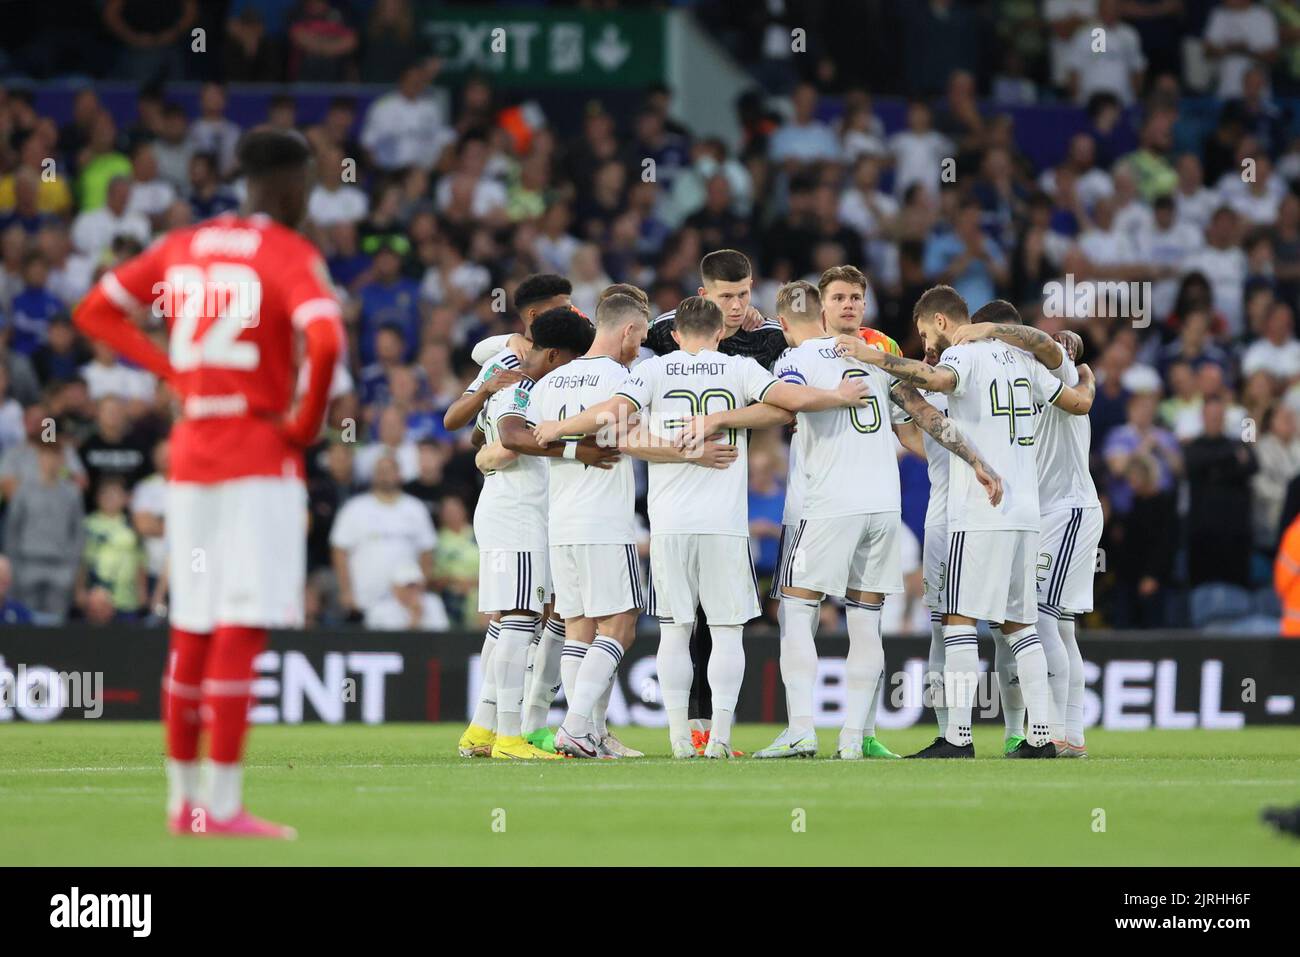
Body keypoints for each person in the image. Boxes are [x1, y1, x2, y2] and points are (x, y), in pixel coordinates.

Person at [73, 128, 344, 839]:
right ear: (287, 186)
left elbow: (95, 311)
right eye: (309, 185)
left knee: (191, 624)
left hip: (191, 450)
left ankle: (183, 803)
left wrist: (169, 372)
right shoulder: (289, 252)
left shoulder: (184, 244)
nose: (310, 198)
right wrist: (305, 423)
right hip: (257, 450)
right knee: (241, 623)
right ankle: (222, 807)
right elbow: (325, 338)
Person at [536, 295, 878, 758]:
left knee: (675, 631)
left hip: (670, 525)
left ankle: (679, 740)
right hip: (724, 524)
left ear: (675, 335)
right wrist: (837, 397)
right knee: (726, 631)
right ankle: (718, 738)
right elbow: (785, 406)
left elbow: (615, 418)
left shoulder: (653, 371)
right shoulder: (738, 368)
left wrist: (558, 428)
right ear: (720, 333)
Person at [841, 285, 1095, 758]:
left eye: (924, 332)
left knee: (955, 621)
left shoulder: (966, 356)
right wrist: (1086, 373)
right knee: (1022, 625)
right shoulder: (1027, 363)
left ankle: (956, 737)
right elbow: (1078, 401)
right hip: (1025, 512)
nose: (927, 345)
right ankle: (1043, 739)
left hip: (978, 511)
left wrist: (872, 359)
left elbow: (936, 382)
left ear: (942, 322)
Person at [947, 304, 1100, 758]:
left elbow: (1049, 345)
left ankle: (1056, 731)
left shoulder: (1047, 359)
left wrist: (991, 330)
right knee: (1060, 625)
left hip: (1065, 507)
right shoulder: (1015, 369)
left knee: (1044, 619)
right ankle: (1069, 733)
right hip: (1047, 511)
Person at [455, 308, 598, 759]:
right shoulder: (522, 384)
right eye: (573, 360)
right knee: (518, 621)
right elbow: (510, 439)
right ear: (555, 355)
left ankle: (481, 729)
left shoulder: (506, 373)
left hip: (511, 509)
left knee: (510, 623)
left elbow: (482, 444)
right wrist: (578, 451)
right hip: (517, 513)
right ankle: (510, 738)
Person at [330, 452, 437, 618]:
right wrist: (346, 591)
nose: (384, 476)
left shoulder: (415, 509)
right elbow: (339, 551)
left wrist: (420, 593)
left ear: (399, 474)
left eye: (389, 470)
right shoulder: (354, 508)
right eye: (380, 471)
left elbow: (427, 553)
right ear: (373, 476)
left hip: (405, 604)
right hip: (364, 601)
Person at [365, 560, 450, 631]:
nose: (413, 590)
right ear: (395, 588)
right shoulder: (379, 609)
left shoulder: (433, 602)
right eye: (408, 586)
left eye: (416, 586)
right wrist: (414, 620)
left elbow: (441, 634)